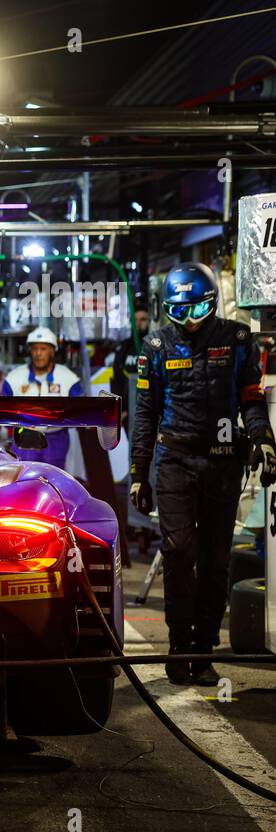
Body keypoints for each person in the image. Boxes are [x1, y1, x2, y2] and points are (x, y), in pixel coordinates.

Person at [130, 261, 276, 685]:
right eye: (179, 312)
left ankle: (203, 650)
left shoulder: (238, 339)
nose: (189, 321)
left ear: (211, 304)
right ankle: (178, 645)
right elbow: (146, 414)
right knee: (178, 553)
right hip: (173, 462)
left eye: (196, 310)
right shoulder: (155, 346)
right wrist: (139, 471)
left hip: (224, 463)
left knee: (215, 561)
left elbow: (251, 398)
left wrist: (263, 438)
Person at [1, 327, 83, 469]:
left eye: (43, 349)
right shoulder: (14, 378)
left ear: (52, 350)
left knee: (53, 481)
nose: (38, 354)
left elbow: (81, 414)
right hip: (24, 439)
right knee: (24, 481)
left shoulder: (68, 379)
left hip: (56, 439)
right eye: (34, 349)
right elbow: (3, 413)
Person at [111, 295, 152, 424]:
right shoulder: (124, 347)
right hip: (129, 411)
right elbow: (116, 379)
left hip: (152, 409)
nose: (139, 324)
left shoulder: (156, 347)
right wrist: (120, 408)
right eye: (135, 320)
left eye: (143, 319)